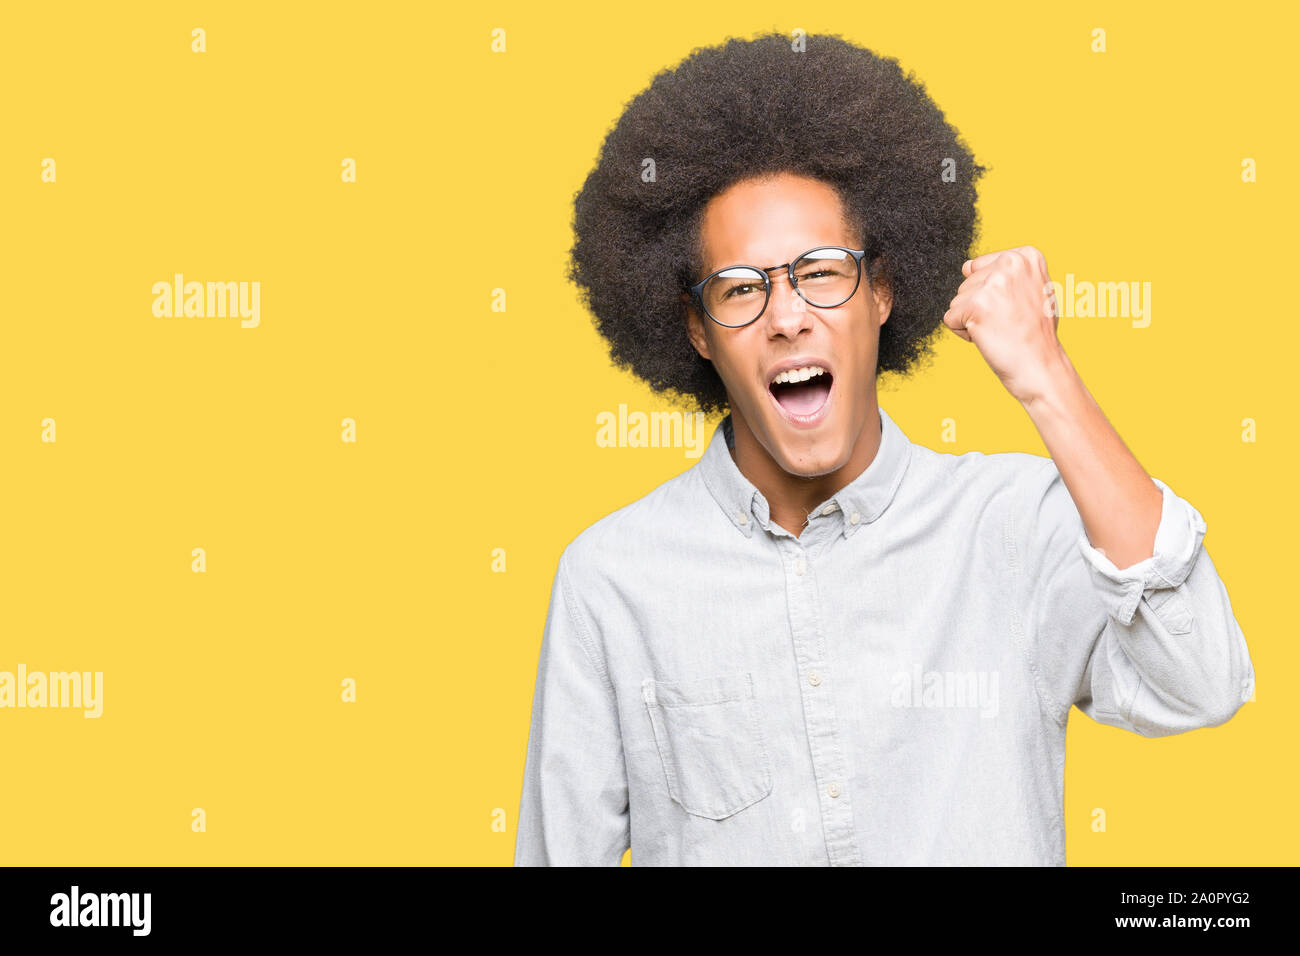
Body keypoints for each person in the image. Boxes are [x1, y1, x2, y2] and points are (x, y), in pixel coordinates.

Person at [513, 31, 1254, 866]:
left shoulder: (1012, 527)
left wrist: (1047, 376)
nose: (787, 315)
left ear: (883, 292)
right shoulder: (613, 579)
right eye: (741, 288)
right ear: (696, 330)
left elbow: (1202, 682)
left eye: (821, 271)